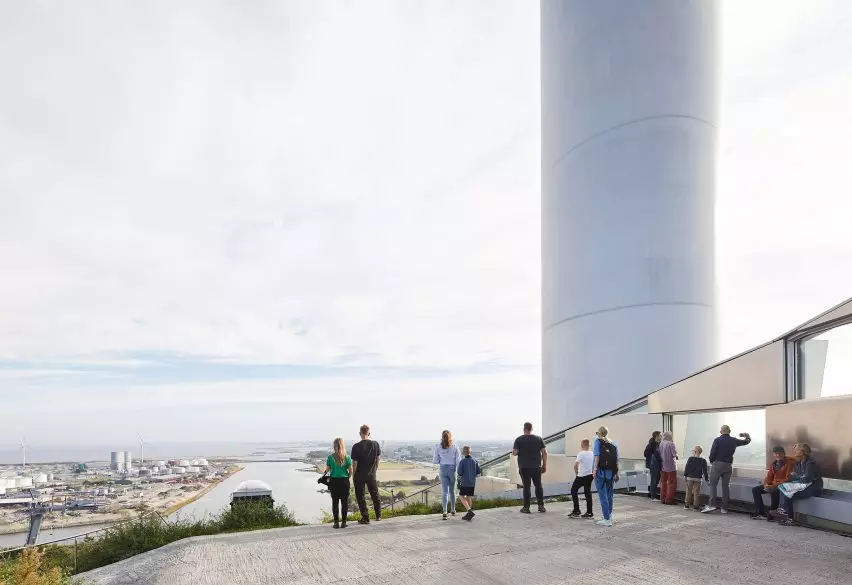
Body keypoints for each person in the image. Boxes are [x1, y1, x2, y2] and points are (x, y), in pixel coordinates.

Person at [702, 425, 751, 514]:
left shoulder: (717, 440)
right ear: (730, 431)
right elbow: (746, 442)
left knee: (713, 485)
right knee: (726, 487)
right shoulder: (734, 440)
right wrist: (747, 436)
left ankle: (712, 505)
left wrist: (712, 461)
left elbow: (713, 452)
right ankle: (724, 508)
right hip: (729, 465)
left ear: (721, 431)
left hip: (717, 464)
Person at [776, 443, 823, 527]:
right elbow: (792, 476)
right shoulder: (798, 462)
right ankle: (784, 513)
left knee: (788, 493)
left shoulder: (811, 463)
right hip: (802, 486)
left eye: (797, 450)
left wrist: (798, 477)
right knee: (783, 489)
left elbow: (807, 479)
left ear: (803, 451)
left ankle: (786, 514)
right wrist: (799, 477)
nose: (794, 451)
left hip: (814, 488)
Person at [513, 422, 548, 513]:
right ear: (531, 429)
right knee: (538, 486)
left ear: (524, 429)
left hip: (524, 467)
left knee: (526, 487)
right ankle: (541, 506)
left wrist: (514, 451)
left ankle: (526, 508)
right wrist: (544, 465)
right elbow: (544, 453)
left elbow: (515, 453)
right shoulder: (538, 439)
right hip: (536, 467)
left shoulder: (518, 439)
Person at [752, 446, 795, 520]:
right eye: (776, 453)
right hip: (773, 484)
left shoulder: (790, 462)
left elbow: (788, 478)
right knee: (755, 489)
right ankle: (760, 513)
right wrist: (766, 485)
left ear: (784, 453)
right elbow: (769, 477)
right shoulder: (774, 464)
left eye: (780, 453)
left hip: (782, 485)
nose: (778, 455)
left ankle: (773, 514)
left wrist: (773, 486)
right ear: (773, 454)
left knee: (774, 491)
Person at [351, 424, 382, 525]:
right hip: (371, 474)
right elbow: (378, 459)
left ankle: (366, 518)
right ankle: (378, 515)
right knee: (375, 494)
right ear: (369, 433)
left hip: (359, 475)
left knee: (360, 496)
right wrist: (374, 470)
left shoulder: (356, 447)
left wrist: (353, 475)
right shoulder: (375, 444)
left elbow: (354, 463)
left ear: (360, 434)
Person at [323, 437, 352, 529]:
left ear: (334, 446)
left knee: (335, 502)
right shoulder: (347, 457)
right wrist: (348, 477)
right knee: (344, 502)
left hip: (334, 482)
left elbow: (326, 470)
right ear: (343, 445)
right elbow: (351, 470)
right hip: (344, 481)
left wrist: (324, 476)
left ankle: (336, 523)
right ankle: (344, 522)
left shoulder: (330, 457)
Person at [593, 426, 619, 526]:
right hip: (611, 472)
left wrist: (594, 470)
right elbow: (616, 460)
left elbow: (597, 456)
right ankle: (609, 515)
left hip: (600, 472)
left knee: (602, 495)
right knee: (609, 494)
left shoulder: (597, 441)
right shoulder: (613, 443)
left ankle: (606, 519)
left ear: (599, 433)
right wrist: (617, 473)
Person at [433, 430, 461, 520]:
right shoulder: (455, 446)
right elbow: (458, 460)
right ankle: (453, 510)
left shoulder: (438, 447)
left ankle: (444, 512)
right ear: (450, 437)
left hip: (443, 470)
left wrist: (442, 459)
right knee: (452, 492)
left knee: (444, 492)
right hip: (452, 470)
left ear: (442, 437)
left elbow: (435, 461)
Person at [568, 438, 594, 519]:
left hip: (581, 476)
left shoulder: (581, 454)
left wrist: (577, 474)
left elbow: (575, 465)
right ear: (589, 445)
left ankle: (576, 510)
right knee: (588, 493)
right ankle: (589, 512)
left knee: (573, 491)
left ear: (582, 444)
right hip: (590, 475)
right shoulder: (592, 453)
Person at [456, 446, 481, 521]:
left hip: (464, 483)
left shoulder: (462, 461)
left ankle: (469, 511)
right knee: (469, 497)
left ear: (463, 453)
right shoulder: (475, 460)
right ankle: (469, 515)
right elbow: (478, 472)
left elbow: (459, 472)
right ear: (470, 452)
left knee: (461, 496)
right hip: (472, 483)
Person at [683, 445, 709, 510]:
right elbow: (705, 471)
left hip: (690, 478)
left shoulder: (690, 458)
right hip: (698, 478)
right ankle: (695, 506)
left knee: (688, 491)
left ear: (695, 451)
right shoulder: (703, 460)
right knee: (696, 492)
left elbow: (687, 468)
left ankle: (687, 505)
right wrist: (707, 479)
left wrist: (685, 475)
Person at [658, 431, 678, 505]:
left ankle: (662, 499)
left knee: (663, 483)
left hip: (663, 466)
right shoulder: (671, 443)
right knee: (672, 483)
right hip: (671, 467)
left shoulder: (661, 443)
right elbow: (674, 454)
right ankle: (668, 499)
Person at [644, 431, 663, 501]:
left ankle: (654, 495)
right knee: (654, 480)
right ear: (657, 436)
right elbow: (645, 454)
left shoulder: (659, 444)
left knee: (656, 480)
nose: (661, 437)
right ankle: (653, 496)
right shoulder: (651, 444)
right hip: (653, 465)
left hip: (658, 464)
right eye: (660, 436)